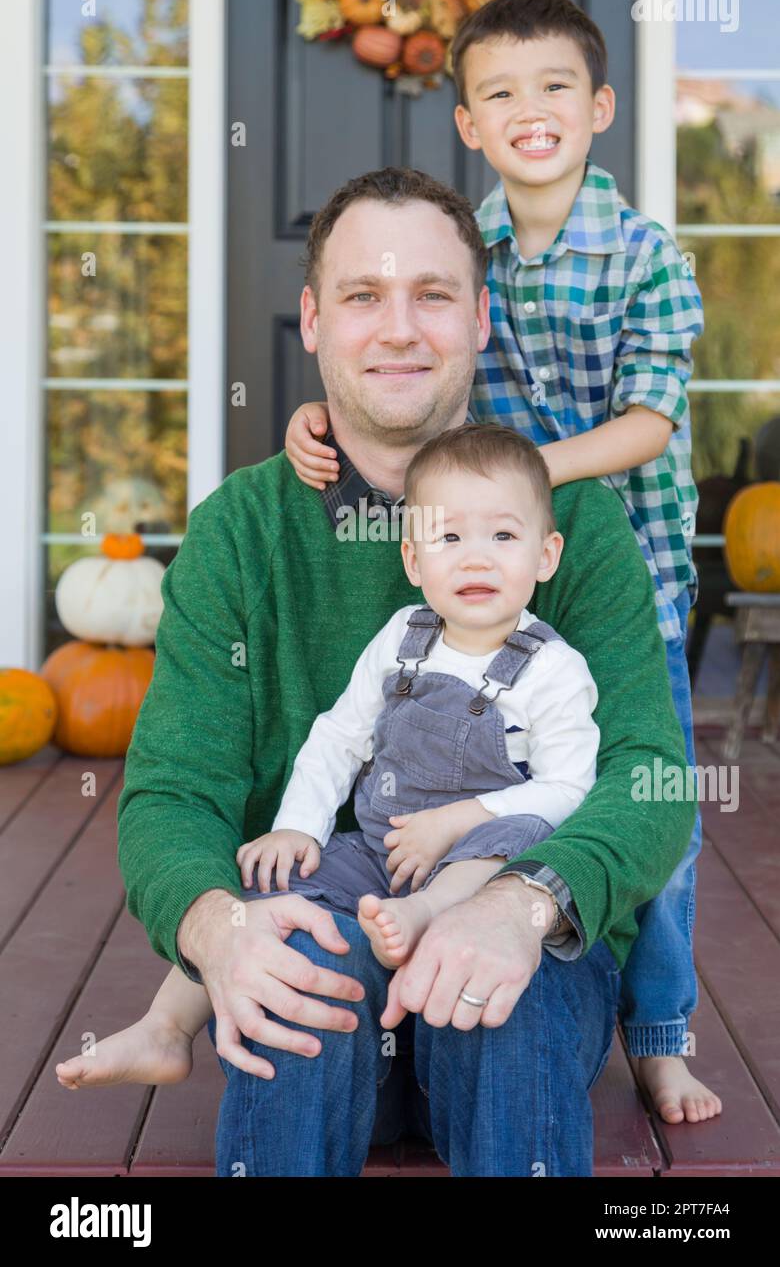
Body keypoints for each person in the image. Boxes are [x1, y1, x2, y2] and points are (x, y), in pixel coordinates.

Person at [62, 167, 697, 1176]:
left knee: (512, 994)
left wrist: (521, 903)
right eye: (364, 295)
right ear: (313, 319)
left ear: (481, 318)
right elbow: (174, 793)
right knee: (295, 956)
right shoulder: (241, 532)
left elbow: (648, 776)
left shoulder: (570, 520)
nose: (399, 329)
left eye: (433, 295)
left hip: (518, 956)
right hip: (326, 942)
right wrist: (220, 928)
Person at [284, 0, 720, 1126]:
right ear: (470, 123)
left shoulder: (644, 256)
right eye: (500, 93)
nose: (531, 110)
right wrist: (316, 421)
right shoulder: (467, 249)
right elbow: (414, 369)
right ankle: (448, 909)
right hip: (488, 566)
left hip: (632, 573)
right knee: (497, 765)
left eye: (555, 88)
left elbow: (651, 424)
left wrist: (531, 469)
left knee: (655, 805)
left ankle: (660, 1035)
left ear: (602, 106)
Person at [56, 424, 600, 1087]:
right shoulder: (405, 637)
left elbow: (571, 788)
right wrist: (298, 827)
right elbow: (338, 736)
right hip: (381, 847)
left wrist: (459, 820)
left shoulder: (551, 669)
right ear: (413, 560)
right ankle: (165, 1027)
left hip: (478, 865)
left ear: (546, 556)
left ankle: (421, 914)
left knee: (504, 845)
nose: (476, 559)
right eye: (449, 538)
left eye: (503, 537)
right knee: (265, 897)